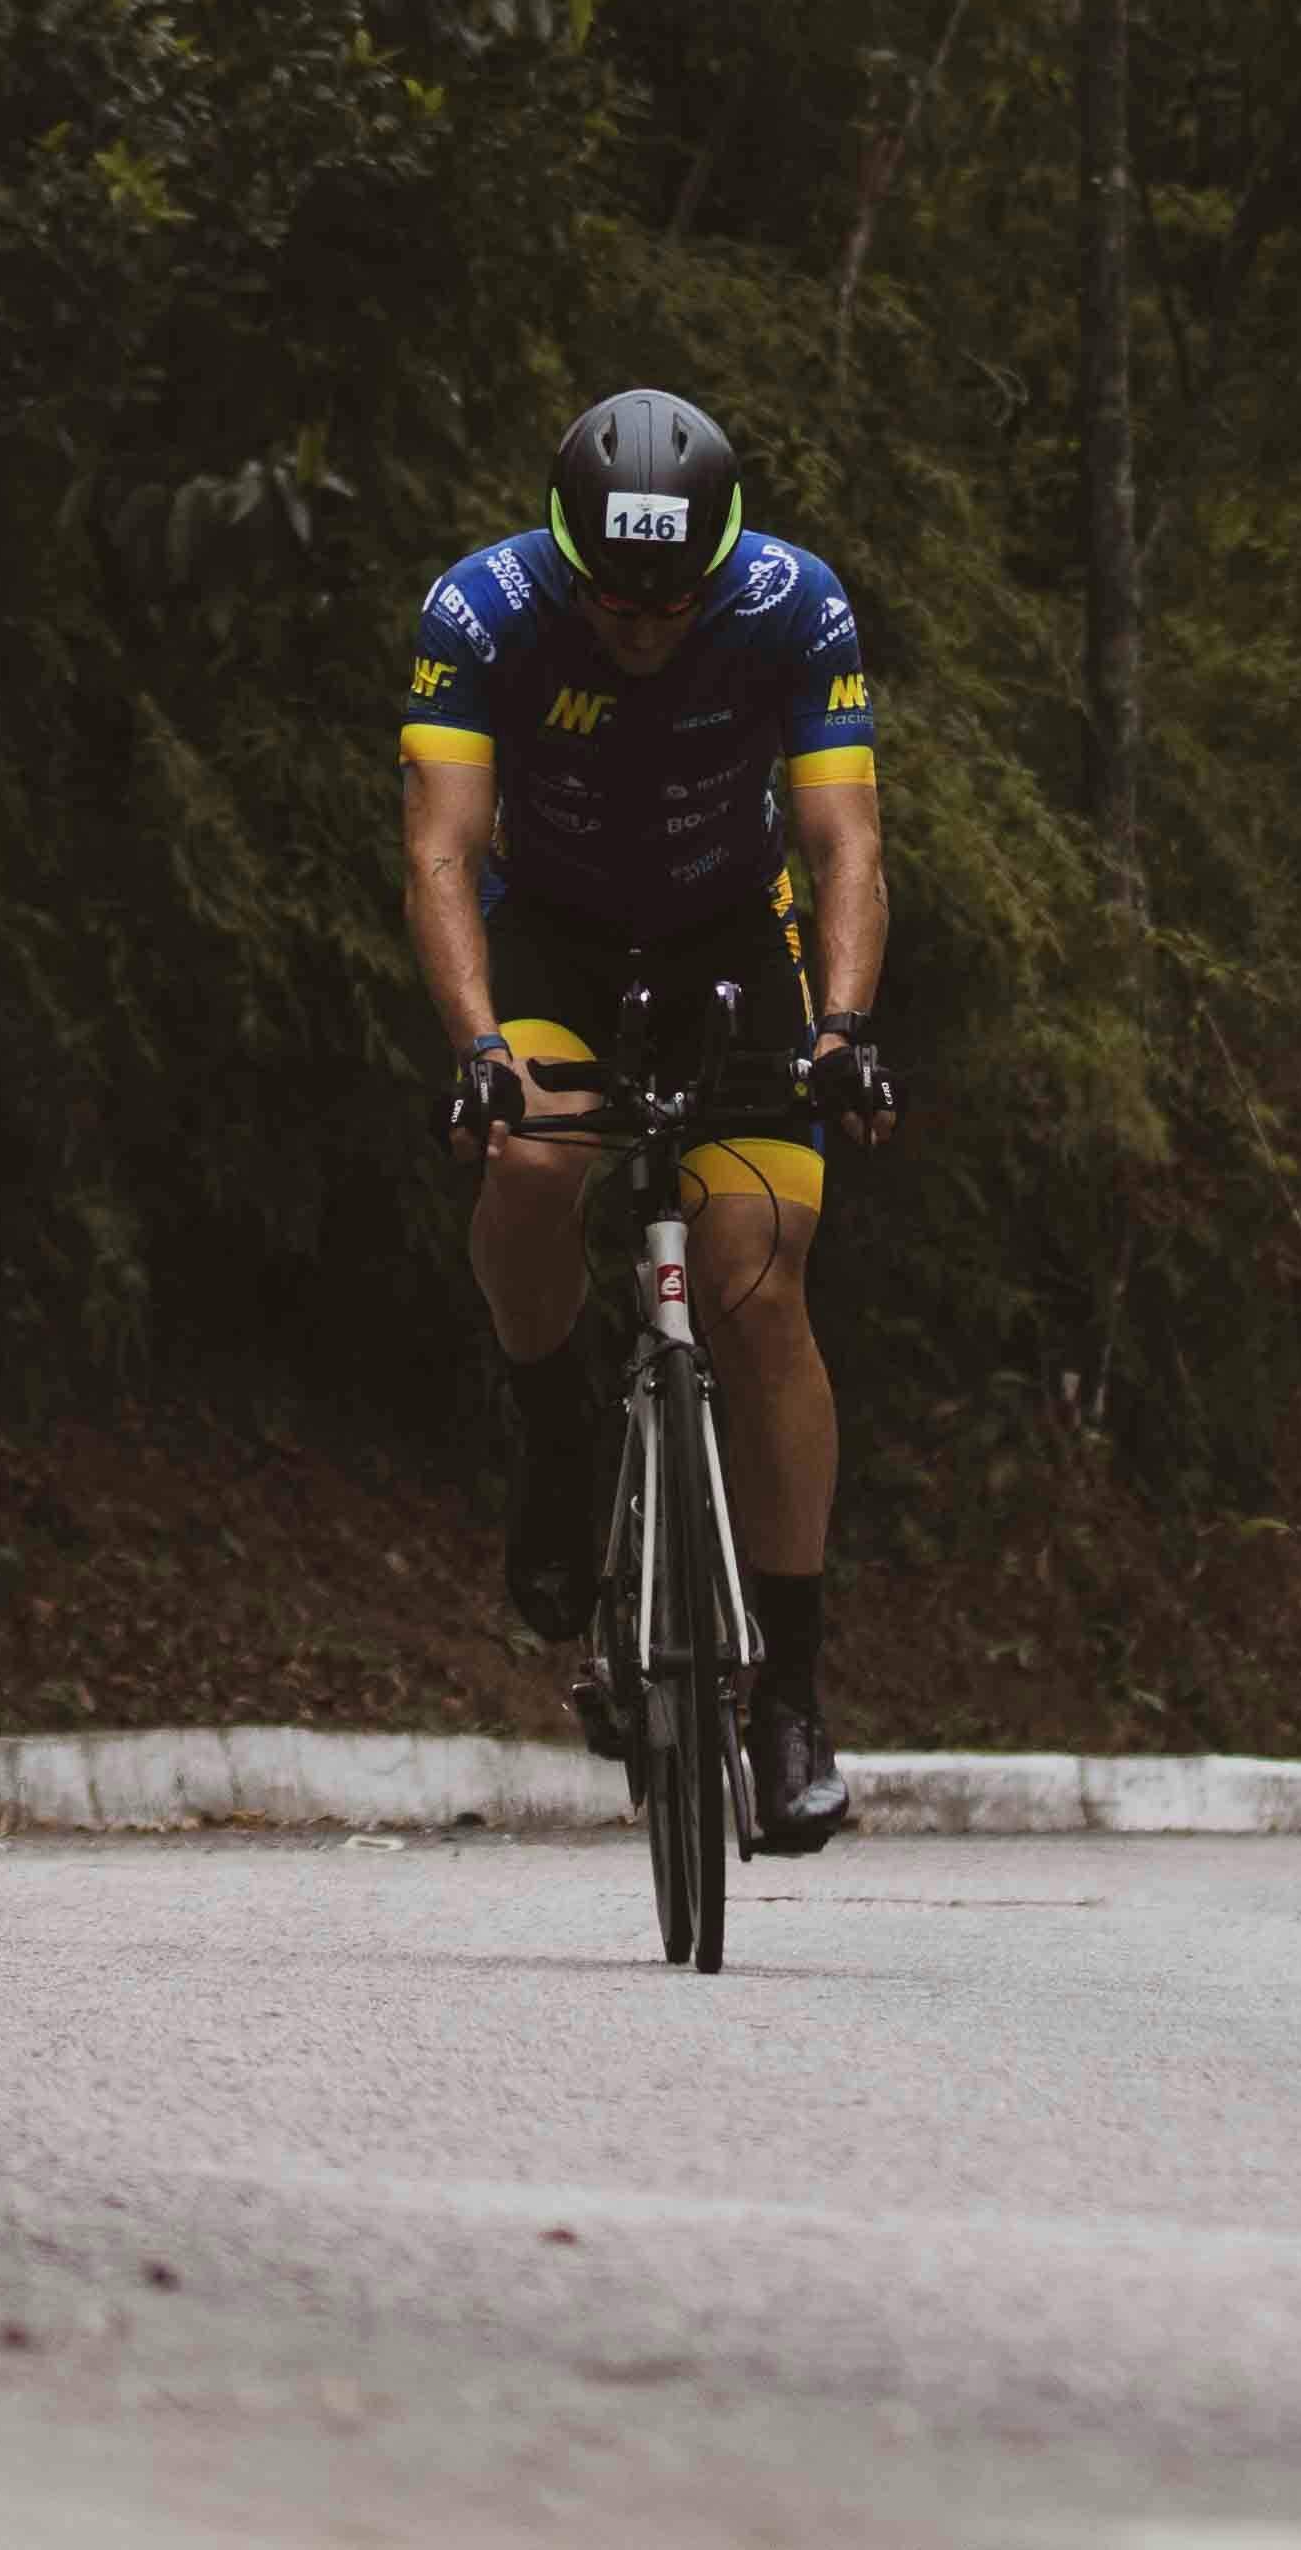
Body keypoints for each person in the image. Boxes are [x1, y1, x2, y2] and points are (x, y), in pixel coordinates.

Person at [400, 388, 900, 1852]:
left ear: (716, 566)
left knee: (758, 1277)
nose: (639, 626)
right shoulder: (481, 609)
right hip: (552, 943)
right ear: (566, 558)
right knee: (532, 1157)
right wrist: (478, 1048)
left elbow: (844, 840)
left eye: (669, 602)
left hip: (731, 940)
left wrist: (842, 1031)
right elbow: (441, 850)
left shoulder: (793, 602)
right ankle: (553, 1426)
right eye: (612, 600)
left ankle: (791, 1695)